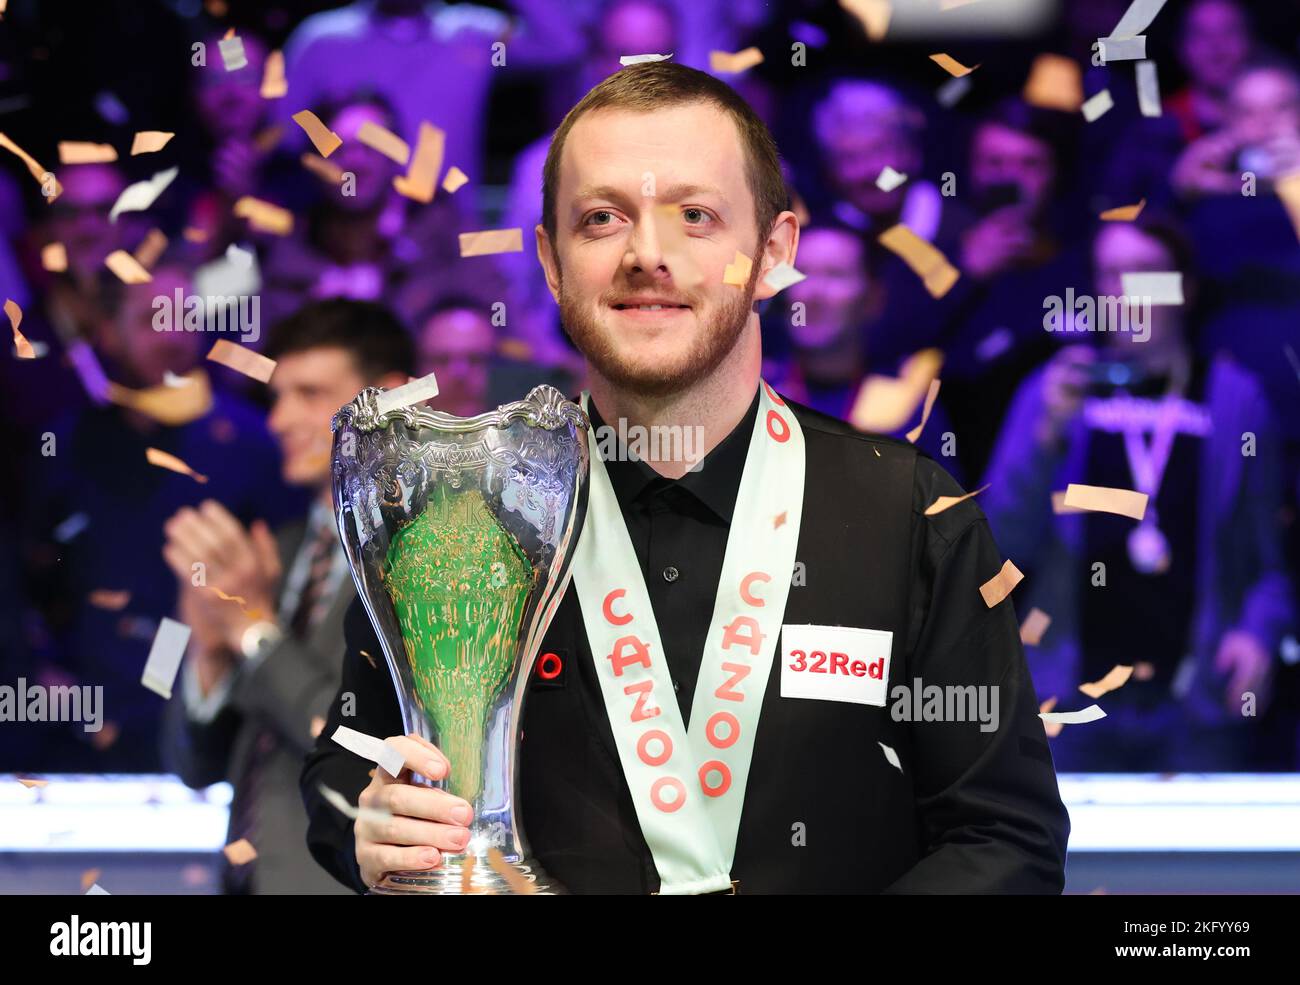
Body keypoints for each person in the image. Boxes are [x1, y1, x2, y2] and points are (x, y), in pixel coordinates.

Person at [301, 61, 1069, 894]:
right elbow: (346, 769)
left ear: (774, 253)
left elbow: (1005, 840)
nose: (647, 255)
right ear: (551, 261)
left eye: (695, 216)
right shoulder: (464, 513)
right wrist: (367, 831)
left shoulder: (909, 511)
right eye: (602, 219)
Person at [981, 217, 1295, 772]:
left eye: (1148, 275)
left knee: (1199, 859)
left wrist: (1257, 632)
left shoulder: (1234, 397)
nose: (1127, 294)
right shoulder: (1056, 389)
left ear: (1185, 289)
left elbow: (1269, 559)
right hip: (1071, 704)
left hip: (1196, 702)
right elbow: (996, 545)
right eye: (1112, 276)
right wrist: (1043, 440)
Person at [161, 299, 415, 894]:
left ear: (390, 398)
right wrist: (211, 649)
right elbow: (190, 766)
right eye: (277, 397)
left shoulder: (425, 558)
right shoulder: (263, 555)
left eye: (310, 393)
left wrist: (254, 632)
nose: (279, 420)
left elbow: (375, 747)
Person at [20, 263, 290, 771]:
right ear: (106, 332)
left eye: (184, 317)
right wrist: (45, 670)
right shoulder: (65, 444)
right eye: (151, 320)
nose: (173, 336)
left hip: (215, 710)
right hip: (85, 724)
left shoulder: (253, 444)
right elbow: (31, 576)